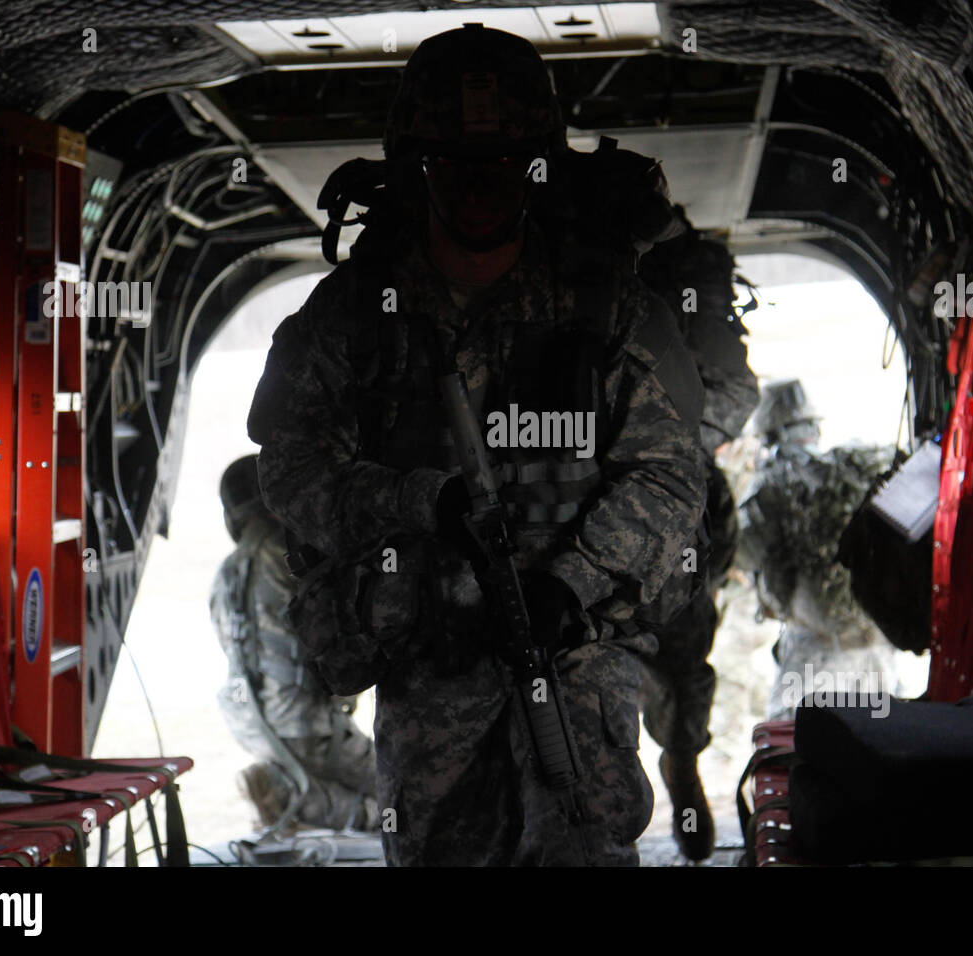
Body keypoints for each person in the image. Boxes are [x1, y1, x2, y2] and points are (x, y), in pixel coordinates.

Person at [247, 25, 707, 866]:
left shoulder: (602, 308)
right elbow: (292, 471)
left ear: (538, 162)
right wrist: (420, 502)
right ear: (415, 165)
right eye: (452, 161)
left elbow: (670, 478)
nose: (480, 184)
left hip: (575, 673)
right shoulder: (353, 317)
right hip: (432, 669)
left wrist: (573, 585)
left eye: (504, 161)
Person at [636, 221, 758, 860]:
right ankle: (679, 751)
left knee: (600, 649)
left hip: (634, 477)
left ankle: (655, 763)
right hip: (686, 482)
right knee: (682, 646)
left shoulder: (604, 282)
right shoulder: (712, 394)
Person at [210, 455, 381, 833]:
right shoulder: (293, 556)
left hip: (256, 725)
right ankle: (291, 798)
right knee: (402, 798)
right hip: (309, 726)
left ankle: (288, 788)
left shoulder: (226, 572)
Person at [734, 380, 900, 722]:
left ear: (770, 433)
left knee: (792, 743)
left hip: (816, 649)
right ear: (813, 427)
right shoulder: (851, 472)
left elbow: (742, 554)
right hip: (877, 643)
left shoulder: (771, 483)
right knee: (882, 739)